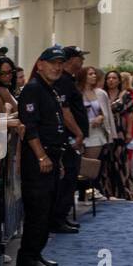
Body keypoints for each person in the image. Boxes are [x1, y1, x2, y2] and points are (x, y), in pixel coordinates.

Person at [15, 47, 71, 266]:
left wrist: (57, 161)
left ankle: (35, 252)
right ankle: (27, 257)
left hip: (52, 156)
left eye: (60, 63)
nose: (57, 67)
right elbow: (30, 126)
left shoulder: (50, 89)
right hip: (39, 158)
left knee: (46, 209)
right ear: (40, 65)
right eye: (52, 62)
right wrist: (41, 155)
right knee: (37, 210)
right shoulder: (33, 89)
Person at [50, 46, 88, 230]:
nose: (82, 61)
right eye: (79, 57)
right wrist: (78, 133)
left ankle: (61, 216)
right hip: (69, 138)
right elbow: (64, 111)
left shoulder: (69, 80)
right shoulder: (63, 81)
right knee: (67, 178)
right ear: (70, 59)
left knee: (70, 179)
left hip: (72, 138)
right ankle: (57, 218)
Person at [102, 69, 133, 199]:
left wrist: (129, 132)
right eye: (108, 78)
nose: (111, 80)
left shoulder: (125, 94)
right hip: (104, 130)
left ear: (119, 80)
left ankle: (123, 191)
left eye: (114, 78)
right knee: (106, 160)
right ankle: (106, 191)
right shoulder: (101, 93)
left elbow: (130, 114)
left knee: (120, 159)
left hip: (120, 129)